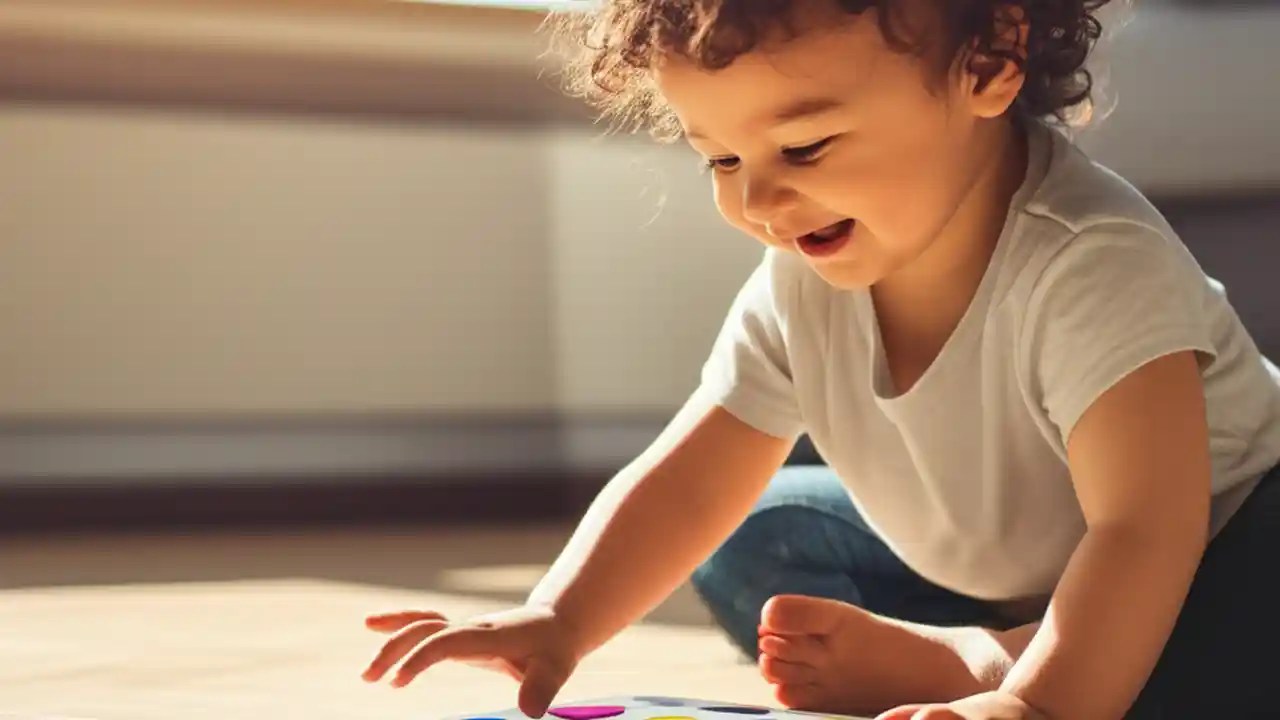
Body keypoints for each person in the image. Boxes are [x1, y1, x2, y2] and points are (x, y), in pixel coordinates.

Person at [359, 0, 1280, 716]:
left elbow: (1142, 530)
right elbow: (689, 476)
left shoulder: (1090, 262)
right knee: (756, 535)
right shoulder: (801, 275)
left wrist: (1037, 704)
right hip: (1003, 565)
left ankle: (996, 659)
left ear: (990, 62)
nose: (758, 200)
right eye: (719, 159)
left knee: (1241, 622)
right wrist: (560, 617)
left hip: (1217, 539)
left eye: (803, 145)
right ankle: (1003, 643)